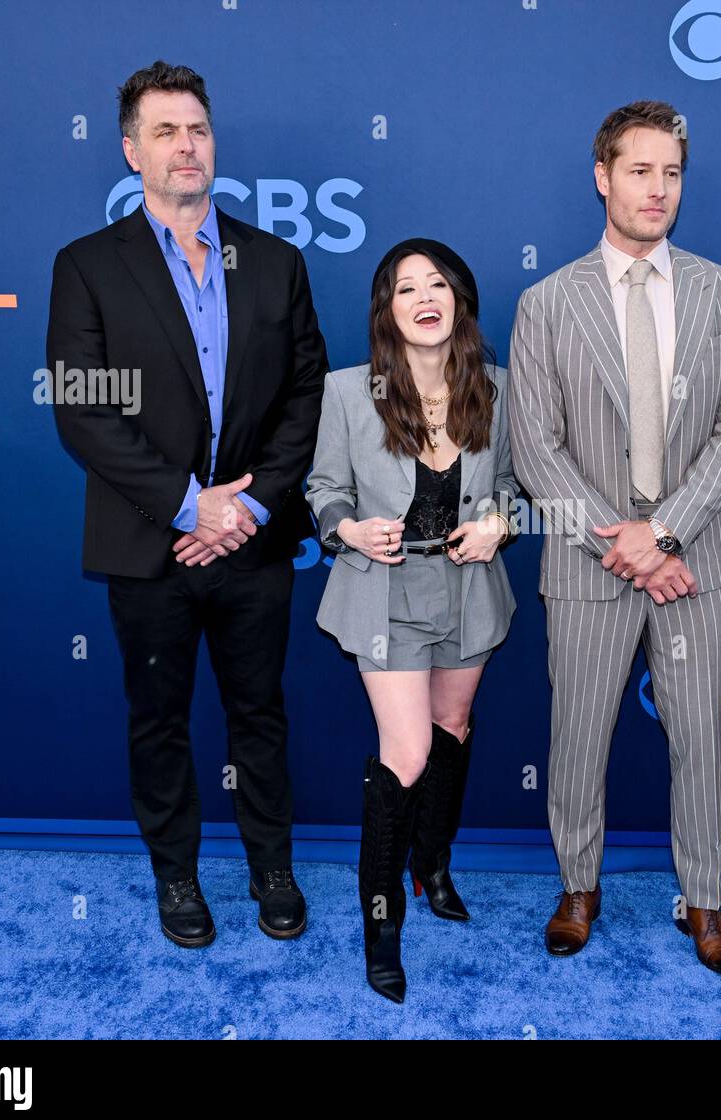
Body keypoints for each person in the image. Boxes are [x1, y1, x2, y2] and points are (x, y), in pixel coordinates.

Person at [47, 61, 327, 948]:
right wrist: (186, 508)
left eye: (197, 128)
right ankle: (175, 876)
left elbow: (307, 394)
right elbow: (81, 408)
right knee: (159, 719)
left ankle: (270, 867)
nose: (185, 145)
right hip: (149, 548)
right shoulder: (88, 266)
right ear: (131, 151)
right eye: (164, 131)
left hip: (253, 542)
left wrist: (241, 512)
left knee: (261, 714)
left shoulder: (275, 261)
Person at [508, 101, 721, 976]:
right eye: (641, 170)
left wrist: (666, 533)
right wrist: (619, 545)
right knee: (577, 741)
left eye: (673, 173)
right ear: (603, 176)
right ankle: (579, 887)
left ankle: (705, 898)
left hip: (693, 559)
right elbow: (534, 447)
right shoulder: (546, 303)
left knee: (701, 742)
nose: (658, 189)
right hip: (588, 565)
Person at [306, 238, 518, 1003]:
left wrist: (501, 521)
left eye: (437, 284)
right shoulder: (346, 392)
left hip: (468, 592)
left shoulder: (497, 388)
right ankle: (382, 919)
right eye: (405, 289)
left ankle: (433, 864)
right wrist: (349, 530)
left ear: (458, 299)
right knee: (408, 747)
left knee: (453, 730)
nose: (424, 298)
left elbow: (523, 489)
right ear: (387, 310)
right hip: (384, 593)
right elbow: (323, 487)